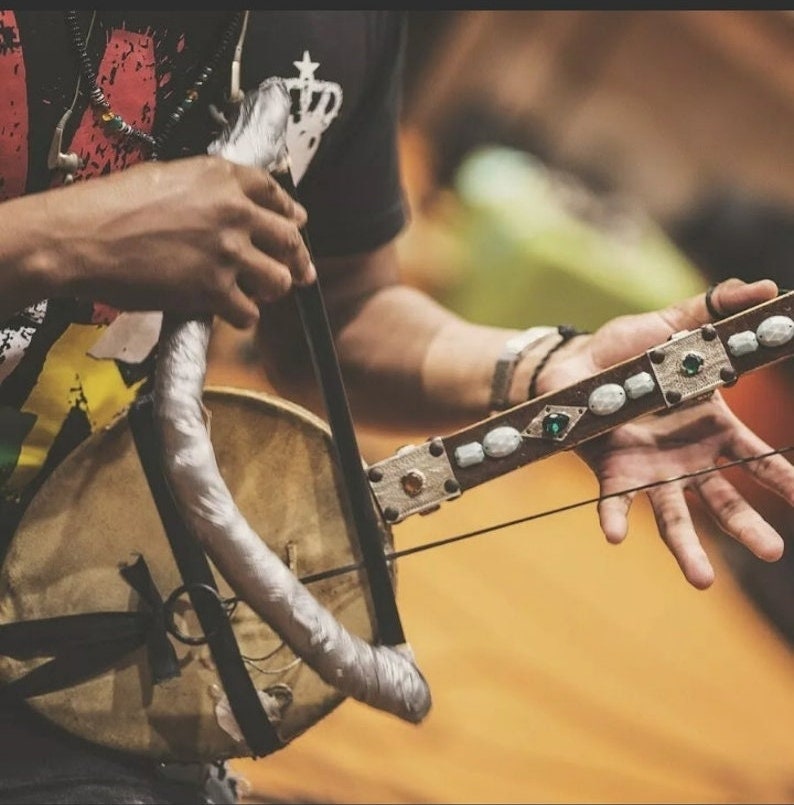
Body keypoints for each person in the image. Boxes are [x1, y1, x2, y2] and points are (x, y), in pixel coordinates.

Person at [0, 10, 791, 805]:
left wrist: (549, 367)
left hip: (69, 605)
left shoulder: (347, 24)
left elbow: (341, 312)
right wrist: (51, 241)